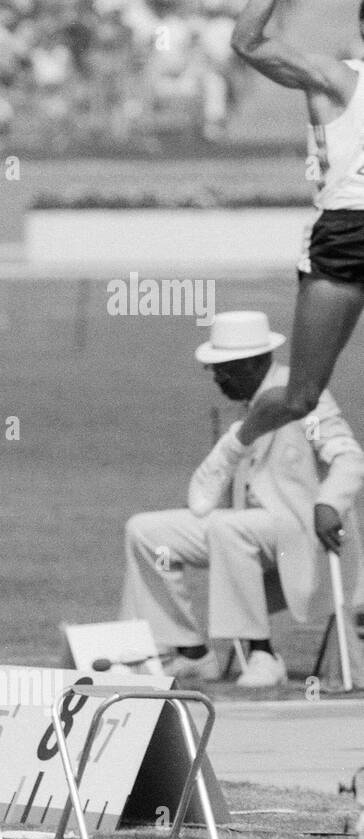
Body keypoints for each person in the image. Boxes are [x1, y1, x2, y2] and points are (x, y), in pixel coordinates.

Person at [121, 311, 364, 687]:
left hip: (300, 532)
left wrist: (329, 501)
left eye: (224, 368)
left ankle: (263, 654)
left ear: (253, 363)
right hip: (249, 531)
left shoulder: (300, 396)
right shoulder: (247, 406)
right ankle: (191, 652)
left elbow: (347, 455)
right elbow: (208, 496)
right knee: (146, 531)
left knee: (227, 528)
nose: (216, 377)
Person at [193, 0, 364, 516]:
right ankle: (229, 451)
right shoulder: (337, 78)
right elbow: (247, 43)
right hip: (346, 231)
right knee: (300, 398)